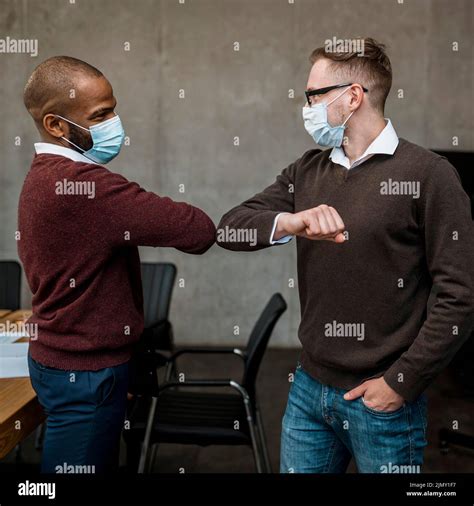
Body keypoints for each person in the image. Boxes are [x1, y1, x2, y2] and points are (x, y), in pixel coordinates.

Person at [216, 38, 474, 473]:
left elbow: (459, 295)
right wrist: (292, 221)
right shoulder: (307, 169)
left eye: (313, 95)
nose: (306, 106)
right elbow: (229, 228)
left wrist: (401, 382)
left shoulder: (429, 175)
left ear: (352, 97)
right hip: (307, 392)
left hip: (383, 402)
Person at [18, 56, 216, 473]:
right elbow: (196, 230)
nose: (115, 123)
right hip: (85, 372)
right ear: (55, 124)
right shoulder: (84, 186)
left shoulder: (42, 174)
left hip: (66, 359)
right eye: (101, 114)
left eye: (113, 108)